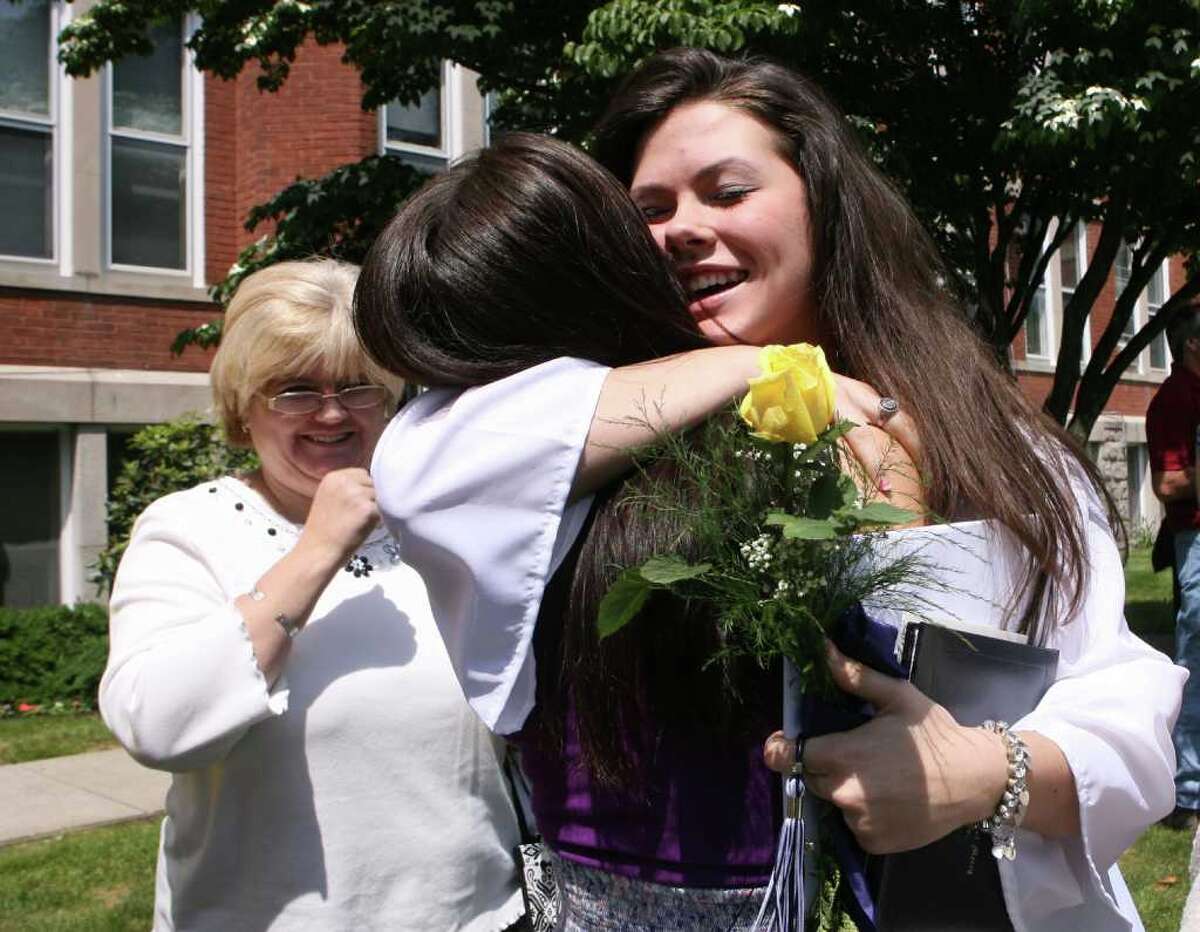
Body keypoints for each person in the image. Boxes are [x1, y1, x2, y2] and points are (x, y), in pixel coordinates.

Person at [356, 53, 1182, 932]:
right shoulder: (551, 443)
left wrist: (991, 773)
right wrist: (767, 371)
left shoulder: (996, 448)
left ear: (823, 205)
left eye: (726, 191)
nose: (682, 228)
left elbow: (1119, 705)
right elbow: (418, 469)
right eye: (651, 209)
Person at [100, 259, 524, 931]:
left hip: (475, 917)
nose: (331, 413)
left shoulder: (442, 527)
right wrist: (317, 549)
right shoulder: (192, 529)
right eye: (294, 390)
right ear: (244, 406)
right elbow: (155, 726)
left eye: (358, 387)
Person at [1148, 302, 1200, 832]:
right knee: (1196, 668)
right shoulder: (1174, 400)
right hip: (1197, 542)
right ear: (1192, 345)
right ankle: (1187, 793)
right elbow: (1166, 485)